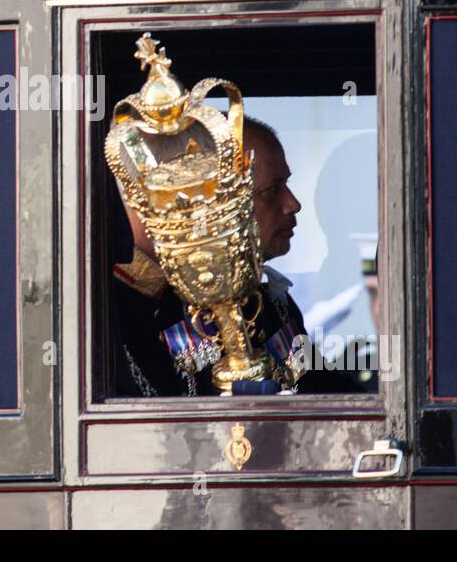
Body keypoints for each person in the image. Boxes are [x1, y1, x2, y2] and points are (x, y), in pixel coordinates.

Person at [111, 117, 363, 396]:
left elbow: (326, 396)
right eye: (270, 191)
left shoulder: (260, 300)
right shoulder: (105, 315)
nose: (293, 204)